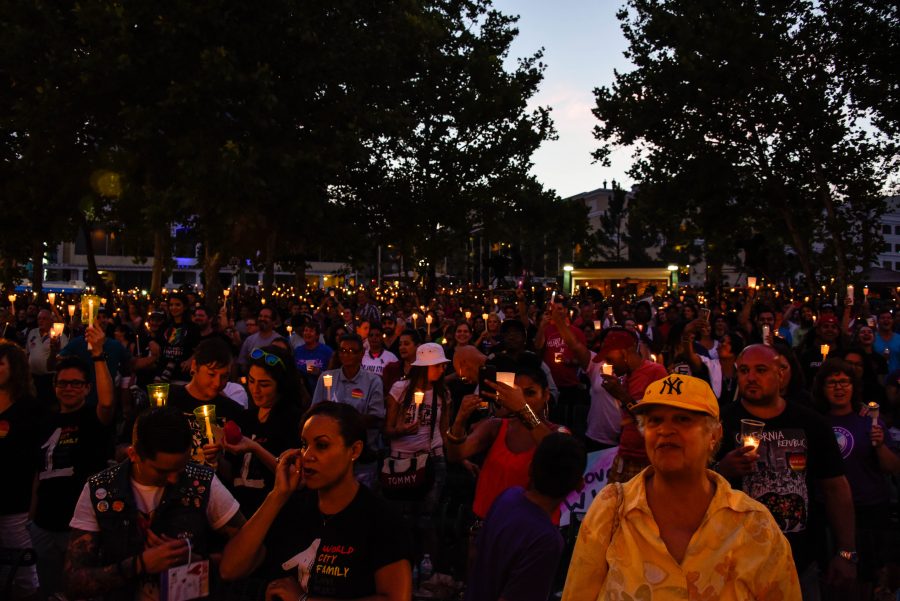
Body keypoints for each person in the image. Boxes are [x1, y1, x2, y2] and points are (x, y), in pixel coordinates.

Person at [563, 374, 800, 600]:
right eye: (655, 420)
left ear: (714, 435)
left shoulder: (754, 525)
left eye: (683, 419)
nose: (665, 430)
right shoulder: (612, 509)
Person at [219, 402, 413, 601]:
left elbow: (396, 597)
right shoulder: (292, 509)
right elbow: (230, 569)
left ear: (354, 450)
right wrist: (277, 495)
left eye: (321, 445)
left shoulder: (381, 519)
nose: (308, 455)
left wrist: (304, 600)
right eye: (304, 445)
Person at [64, 406, 251, 601]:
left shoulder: (201, 481)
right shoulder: (101, 490)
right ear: (134, 455)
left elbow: (250, 550)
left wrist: (195, 560)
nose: (173, 479)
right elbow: (73, 583)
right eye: (162, 471)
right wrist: (140, 564)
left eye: (180, 467)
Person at [716, 344, 857, 599]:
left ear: (781, 374)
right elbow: (692, 486)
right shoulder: (720, 423)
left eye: (761, 370)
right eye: (745, 370)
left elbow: (836, 488)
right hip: (735, 560)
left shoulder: (810, 423)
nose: (751, 377)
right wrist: (721, 469)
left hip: (799, 560)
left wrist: (846, 552)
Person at [30, 326, 116, 599]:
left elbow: (107, 401)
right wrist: (31, 519)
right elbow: (38, 472)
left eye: (76, 383)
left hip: (78, 527)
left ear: (86, 388)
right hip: (43, 523)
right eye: (63, 383)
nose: (68, 388)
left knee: (78, 591)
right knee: (48, 588)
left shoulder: (93, 420)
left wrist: (99, 355)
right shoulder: (45, 423)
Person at [812, 359, 900, 600]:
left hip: (869, 511)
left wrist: (880, 445)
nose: (839, 388)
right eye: (832, 383)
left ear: (854, 387)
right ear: (822, 388)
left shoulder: (869, 420)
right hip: (829, 513)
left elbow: (892, 468)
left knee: (866, 581)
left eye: (844, 382)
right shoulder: (816, 423)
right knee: (834, 580)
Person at [446, 355, 569, 523]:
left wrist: (522, 410)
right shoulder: (496, 426)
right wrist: (460, 420)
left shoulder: (558, 432)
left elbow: (557, 452)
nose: (523, 400)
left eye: (530, 393)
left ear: (546, 395)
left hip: (529, 528)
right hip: (487, 523)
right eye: (517, 394)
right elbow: (456, 454)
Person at [467, 433, 586, 601]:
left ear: (530, 467)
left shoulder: (507, 498)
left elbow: (476, 556)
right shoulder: (547, 540)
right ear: (580, 485)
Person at [383, 343, 451, 569]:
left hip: (432, 459)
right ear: (425, 367)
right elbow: (388, 429)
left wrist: (459, 456)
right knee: (402, 516)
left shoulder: (442, 393)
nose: (442, 369)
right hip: (402, 461)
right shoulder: (400, 389)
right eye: (438, 365)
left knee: (427, 515)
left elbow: (444, 430)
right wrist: (401, 430)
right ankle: (404, 561)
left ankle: (427, 561)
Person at [223, 345, 303, 516]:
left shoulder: (293, 419)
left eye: (264, 384)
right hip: (242, 511)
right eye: (251, 381)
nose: (255, 390)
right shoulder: (245, 418)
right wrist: (216, 458)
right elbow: (233, 473)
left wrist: (255, 448)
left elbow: (293, 476)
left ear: (281, 385)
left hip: (276, 515)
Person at [311, 333, 385, 487]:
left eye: (352, 351)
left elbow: (376, 417)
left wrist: (343, 419)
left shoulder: (372, 381)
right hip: (330, 453)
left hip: (361, 455)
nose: (346, 355)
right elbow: (315, 411)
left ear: (362, 353)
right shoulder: (326, 378)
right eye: (343, 350)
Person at [0, 340, 42, 599]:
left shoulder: (29, 410)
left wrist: (33, 503)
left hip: (16, 502)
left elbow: (36, 460)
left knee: (23, 573)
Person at [293, 320, 333, 395]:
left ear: (317, 335)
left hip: (321, 391)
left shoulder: (327, 351)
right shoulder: (297, 351)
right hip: (302, 393)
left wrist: (319, 373)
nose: (307, 333)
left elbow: (332, 374)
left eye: (311, 331)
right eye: (306, 330)